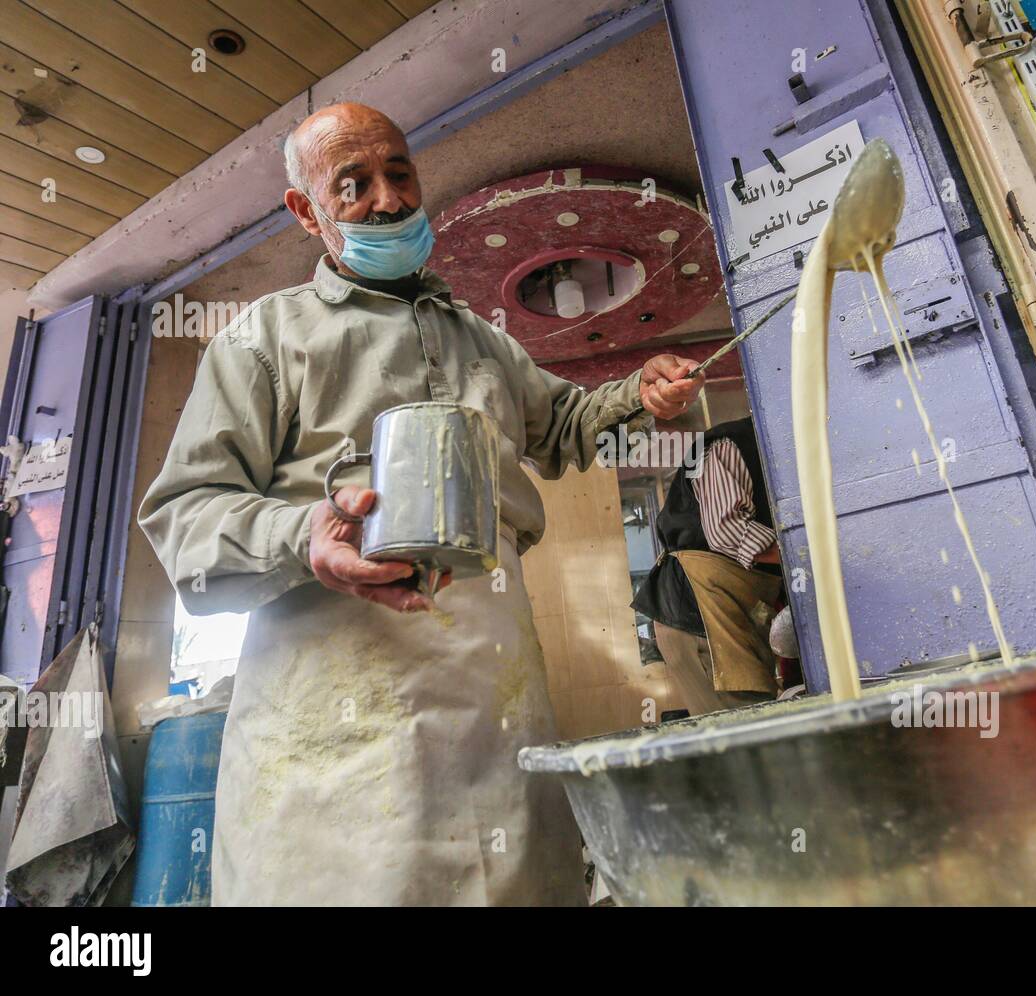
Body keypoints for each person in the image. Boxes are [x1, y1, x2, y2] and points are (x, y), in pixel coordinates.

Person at [138, 103, 703, 906]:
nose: (388, 199)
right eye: (352, 184)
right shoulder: (264, 338)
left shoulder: (483, 339)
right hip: (336, 713)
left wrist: (639, 395)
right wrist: (305, 534)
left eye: (398, 173)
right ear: (306, 212)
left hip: (496, 695)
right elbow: (185, 514)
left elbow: (567, 428)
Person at [632, 417, 784, 715]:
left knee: (759, 716)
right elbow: (729, 531)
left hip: (728, 610)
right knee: (744, 731)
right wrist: (808, 553)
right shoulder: (728, 446)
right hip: (698, 618)